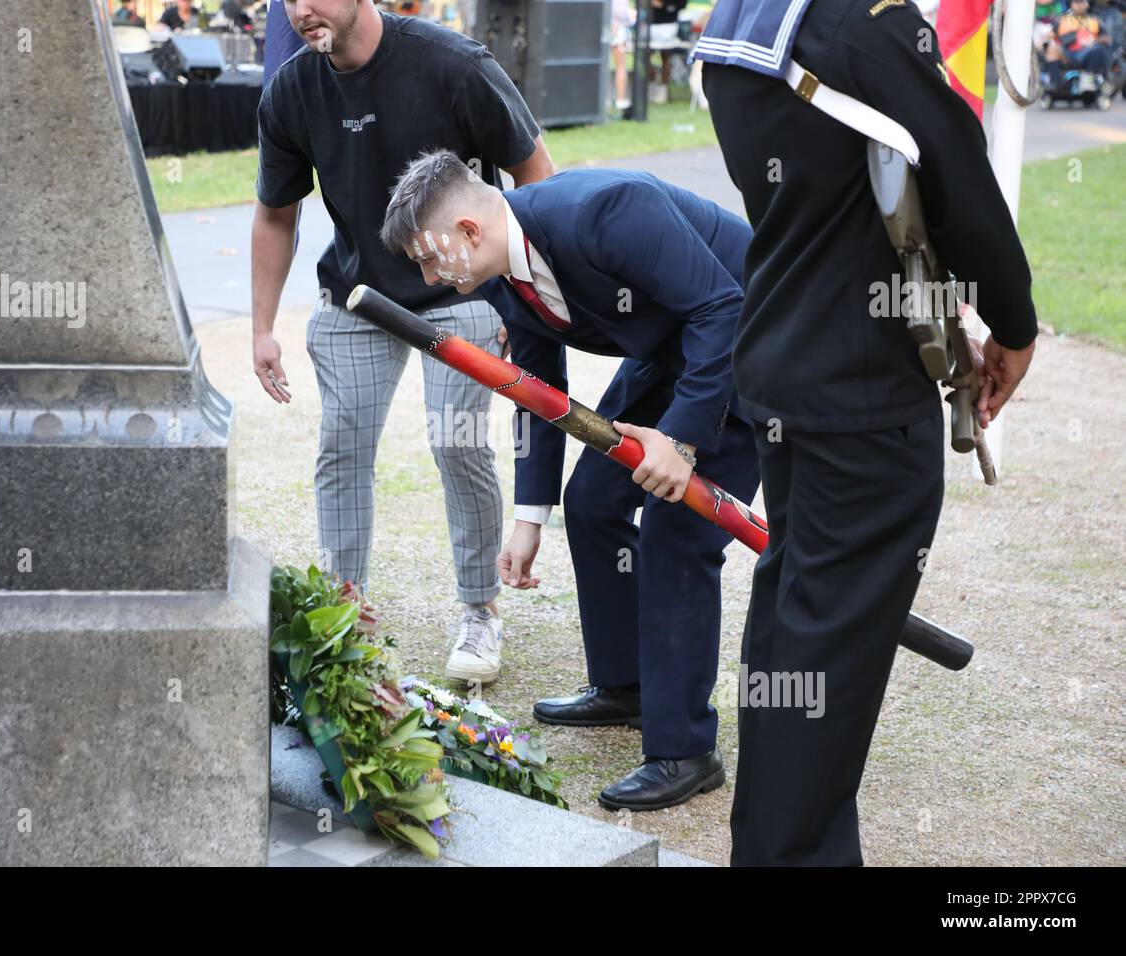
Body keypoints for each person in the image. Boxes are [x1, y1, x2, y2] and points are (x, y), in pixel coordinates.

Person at [695, 0, 1038, 865]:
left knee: (794, 636)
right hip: (861, 385)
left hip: (783, 356)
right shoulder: (858, 25)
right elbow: (958, 168)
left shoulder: (737, 20)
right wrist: (1016, 325)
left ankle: (784, 848)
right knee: (827, 660)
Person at [380, 151, 760, 811]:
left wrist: (681, 439)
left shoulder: (602, 212)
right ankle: (626, 687)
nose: (429, 276)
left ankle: (684, 749)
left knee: (676, 529)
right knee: (591, 501)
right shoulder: (499, 273)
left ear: (469, 231)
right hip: (673, 349)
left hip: (749, 340)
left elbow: (722, 308)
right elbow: (538, 390)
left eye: (429, 258)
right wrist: (529, 518)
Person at [251, 0, 554, 684]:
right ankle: (343, 613)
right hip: (360, 298)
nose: (302, 10)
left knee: (455, 442)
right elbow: (275, 214)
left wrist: (526, 295)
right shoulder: (292, 91)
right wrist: (261, 327)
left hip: (465, 289)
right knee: (343, 441)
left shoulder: (456, 65)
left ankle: (480, 610)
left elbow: (539, 177)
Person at [1054, 0, 1115, 82]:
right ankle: (1088, 81)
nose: (1080, 5)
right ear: (1071, 4)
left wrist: (1095, 40)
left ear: (1087, 4)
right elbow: (1055, 39)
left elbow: (1107, 39)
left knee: (1102, 52)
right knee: (1097, 53)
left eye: (1082, 2)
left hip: (1091, 50)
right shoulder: (1062, 19)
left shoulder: (1094, 20)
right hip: (1071, 53)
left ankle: (1098, 80)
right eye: (1076, 2)